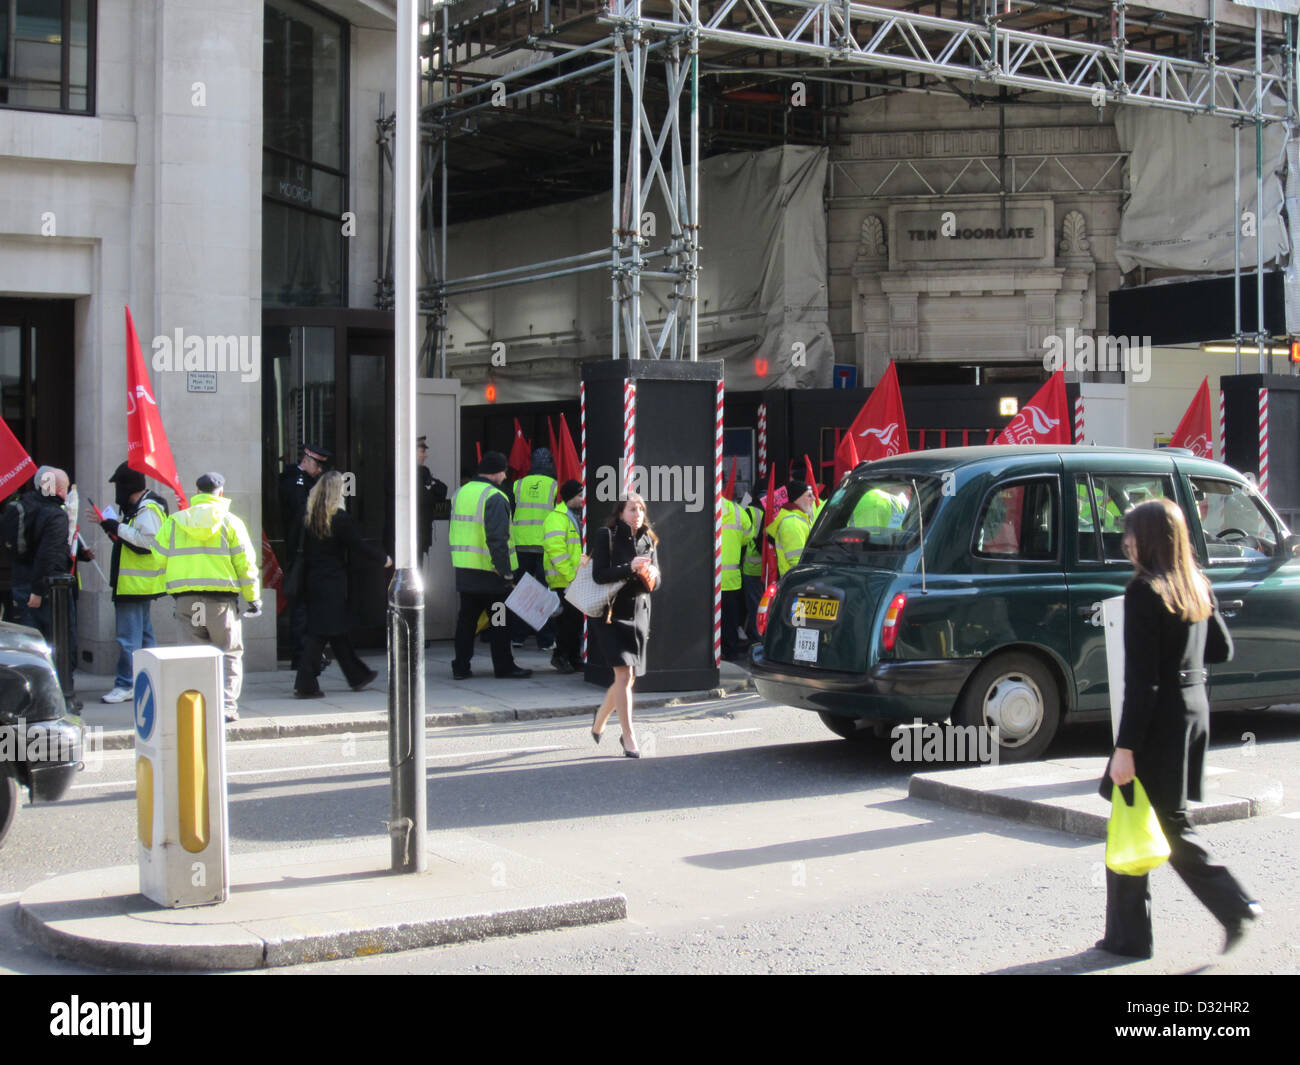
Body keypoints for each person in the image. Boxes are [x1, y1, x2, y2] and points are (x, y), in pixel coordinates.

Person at [1096, 498, 1261, 959]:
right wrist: (1183, 652)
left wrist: (1125, 748)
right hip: (1191, 712)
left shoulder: (1145, 592)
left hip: (1158, 721)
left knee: (1165, 824)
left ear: (1147, 539)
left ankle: (1235, 905)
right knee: (1133, 816)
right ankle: (1127, 936)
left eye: (1129, 534)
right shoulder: (1195, 585)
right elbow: (1222, 651)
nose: (1124, 542)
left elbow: (1142, 682)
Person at [155, 473, 261, 723]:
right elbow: (246, 564)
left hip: (187, 602)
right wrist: (253, 598)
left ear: (197, 492)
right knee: (228, 653)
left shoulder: (174, 521)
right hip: (220, 603)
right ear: (221, 493)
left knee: (193, 656)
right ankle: (225, 707)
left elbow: (158, 557)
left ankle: (197, 706)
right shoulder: (231, 522)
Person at [293, 471, 390, 698]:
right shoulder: (339, 518)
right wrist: (383, 558)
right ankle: (305, 682)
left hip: (312, 581)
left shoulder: (307, 517)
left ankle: (357, 674)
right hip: (332, 584)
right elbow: (358, 546)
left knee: (335, 630)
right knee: (320, 633)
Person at [590, 492, 661, 758]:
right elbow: (599, 575)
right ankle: (628, 736)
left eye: (641, 509)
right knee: (622, 674)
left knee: (628, 678)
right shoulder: (606, 536)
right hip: (611, 614)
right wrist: (629, 567)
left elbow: (657, 582)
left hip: (639, 613)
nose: (638, 514)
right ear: (620, 513)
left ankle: (599, 721)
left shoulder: (649, 539)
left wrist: (652, 575)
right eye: (632, 509)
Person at [449, 451, 531, 680]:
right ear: (496, 472)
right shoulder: (494, 496)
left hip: (466, 571)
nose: (505, 476)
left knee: (467, 621)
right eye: (504, 471)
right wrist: (505, 573)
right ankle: (504, 666)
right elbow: (498, 539)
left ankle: (460, 667)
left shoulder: (460, 493)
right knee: (499, 621)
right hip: (492, 575)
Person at [93, 462, 169, 703]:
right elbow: (129, 540)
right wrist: (111, 527)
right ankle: (152, 679)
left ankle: (126, 684)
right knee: (145, 639)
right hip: (134, 585)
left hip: (135, 586)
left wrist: (116, 526)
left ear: (127, 486)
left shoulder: (148, 509)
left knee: (129, 639)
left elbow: (146, 543)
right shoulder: (139, 508)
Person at [279, 443, 331, 671]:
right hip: (299, 552)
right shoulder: (296, 482)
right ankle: (300, 656)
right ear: (307, 461)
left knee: (308, 608)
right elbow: (302, 515)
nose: (319, 470)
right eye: (317, 465)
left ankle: (308, 654)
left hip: (306, 551)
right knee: (300, 609)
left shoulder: (307, 482)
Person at [11, 467, 71, 639]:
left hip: (21, 580)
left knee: (27, 641)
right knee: (54, 643)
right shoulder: (55, 514)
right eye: (66, 489)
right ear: (60, 490)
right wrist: (38, 591)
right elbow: (48, 553)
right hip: (44, 590)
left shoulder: (25, 505)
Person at [511, 447, 558, 651]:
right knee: (542, 592)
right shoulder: (555, 486)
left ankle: (517, 636)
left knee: (522, 591)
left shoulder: (518, 484)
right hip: (543, 545)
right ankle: (545, 639)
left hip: (520, 544)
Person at [541, 479, 584, 673]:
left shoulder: (573, 516)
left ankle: (573, 657)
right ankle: (561, 656)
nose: (582, 499)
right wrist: (569, 575)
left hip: (573, 578)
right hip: (564, 579)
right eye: (579, 496)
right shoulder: (557, 518)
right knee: (567, 622)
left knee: (574, 622)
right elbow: (555, 549)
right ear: (570, 497)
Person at [720, 491, 753, 659]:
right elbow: (748, 537)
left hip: (708, 578)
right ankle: (730, 651)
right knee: (730, 618)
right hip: (731, 577)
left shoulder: (700, 508)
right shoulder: (738, 510)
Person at [767, 480, 814, 576]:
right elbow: (797, 561)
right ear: (798, 498)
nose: (813, 498)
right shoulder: (792, 522)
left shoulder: (798, 518)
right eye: (809, 495)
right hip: (795, 581)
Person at [416, 435, 448, 566]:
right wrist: (429, 489)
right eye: (422, 451)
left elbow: (442, 491)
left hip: (422, 534)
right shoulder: (401, 474)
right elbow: (424, 499)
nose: (426, 456)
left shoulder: (423, 472)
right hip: (409, 539)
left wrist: (429, 486)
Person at [740, 490, 764, 641]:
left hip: (751, 567)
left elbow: (744, 538)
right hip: (768, 568)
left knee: (755, 605)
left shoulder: (750, 511)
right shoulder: (774, 509)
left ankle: (757, 637)